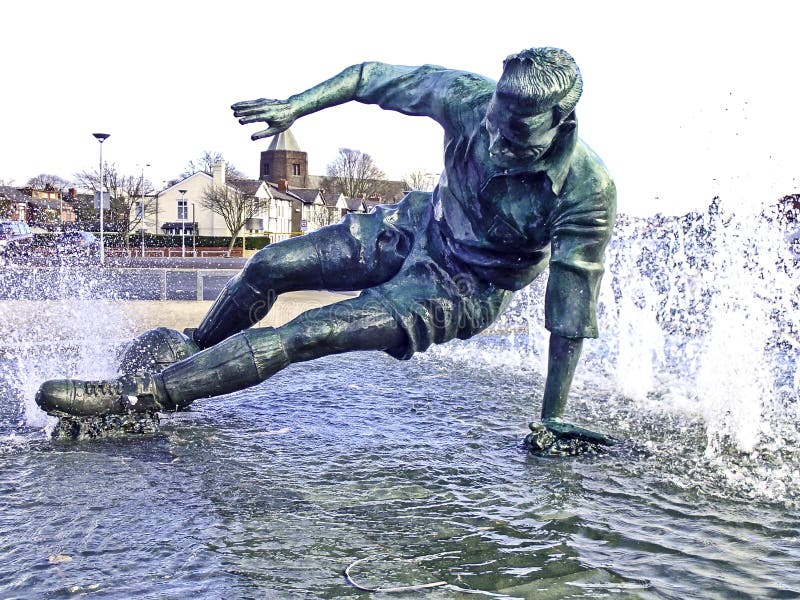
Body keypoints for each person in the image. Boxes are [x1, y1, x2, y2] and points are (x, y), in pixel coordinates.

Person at [36, 47, 617, 446]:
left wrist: (552, 419)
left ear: (562, 120)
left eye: (515, 132)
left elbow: (569, 318)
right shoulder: (470, 99)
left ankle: (142, 397)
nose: (493, 135)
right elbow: (371, 77)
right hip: (416, 225)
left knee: (303, 334)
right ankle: (194, 348)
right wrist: (295, 107)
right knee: (268, 265)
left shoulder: (587, 190)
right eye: (493, 120)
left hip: (461, 287)